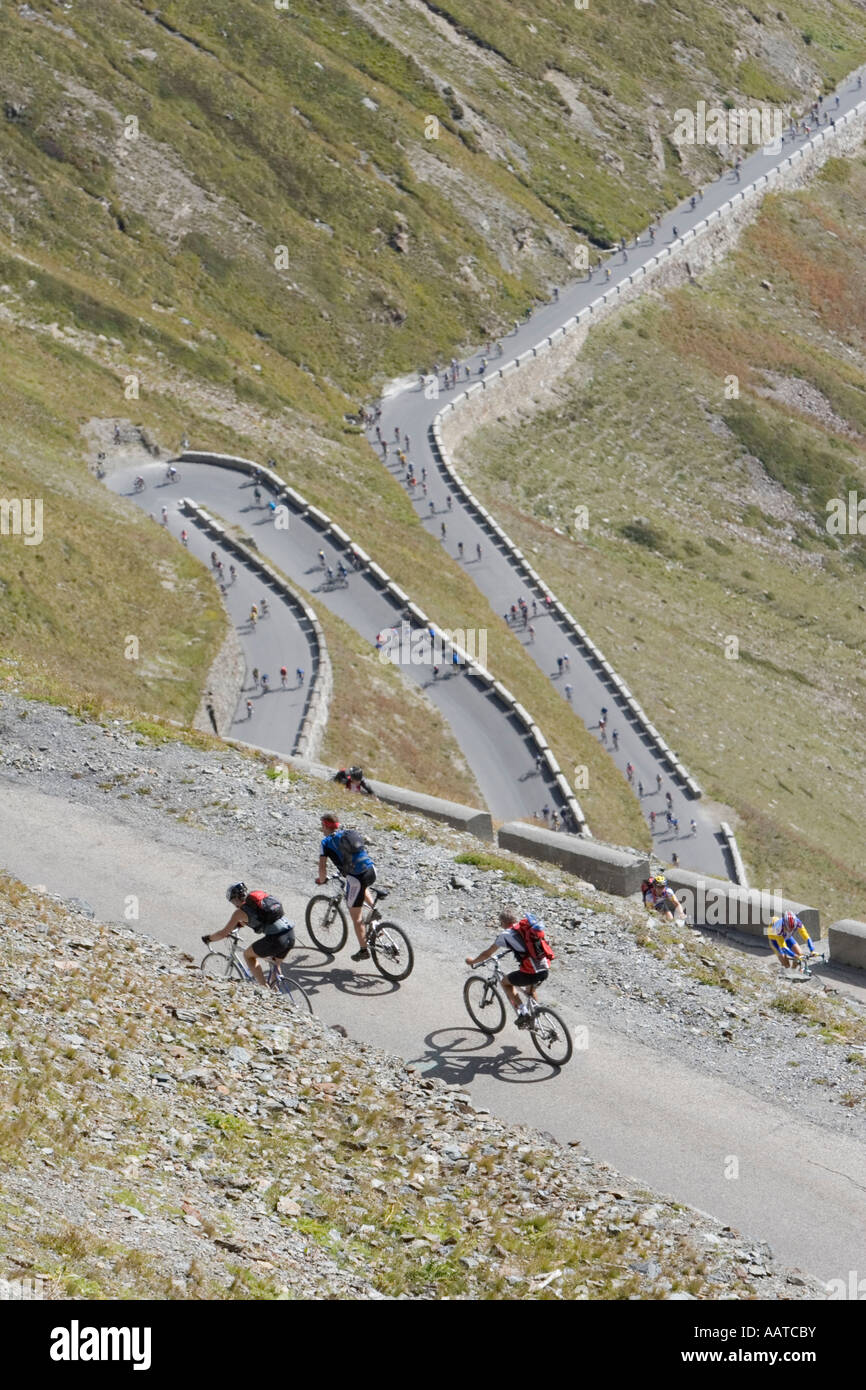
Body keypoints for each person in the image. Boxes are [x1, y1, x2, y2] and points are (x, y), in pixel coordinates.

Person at [465, 907, 553, 1029]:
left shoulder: (505, 935)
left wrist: (473, 961)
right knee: (530, 991)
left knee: (505, 982)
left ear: (503, 922)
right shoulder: (526, 929)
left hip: (531, 972)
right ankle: (536, 1019)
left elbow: (487, 953)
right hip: (544, 968)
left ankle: (524, 1013)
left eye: (500, 923)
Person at [203, 883, 295, 988]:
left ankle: (264, 988)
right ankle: (275, 993)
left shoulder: (239, 912)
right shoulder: (257, 904)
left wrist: (208, 938)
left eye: (232, 901)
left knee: (248, 955)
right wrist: (238, 925)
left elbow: (222, 933)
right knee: (275, 964)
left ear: (235, 899)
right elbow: (249, 920)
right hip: (290, 934)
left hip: (276, 939)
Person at [316, 813, 377, 960]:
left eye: (322, 826)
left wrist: (322, 880)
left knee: (356, 917)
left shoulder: (326, 842)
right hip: (372, 870)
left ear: (325, 826)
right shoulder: (349, 833)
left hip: (357, 877)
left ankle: (363, 950)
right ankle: (375, 914)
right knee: (362, 887)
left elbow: (322, 868)